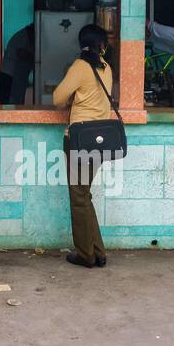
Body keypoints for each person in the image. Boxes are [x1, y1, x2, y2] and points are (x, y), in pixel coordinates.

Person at [52, 23, 115, 269]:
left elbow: (57, 98)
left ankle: (85, 255)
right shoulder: (106, 67)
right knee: (84, 195)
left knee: (78, 197)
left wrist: (72, 102)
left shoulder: (80, 66)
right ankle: (98, 252)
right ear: (102, 45)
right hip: (100, 139)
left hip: (79, 139)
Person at [0, 23, 34, 105]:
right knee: (8, 109)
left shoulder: (23, 36)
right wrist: (36, 59)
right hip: (8, 78)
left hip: (10, 77)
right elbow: (21, 53)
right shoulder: (23, 37)